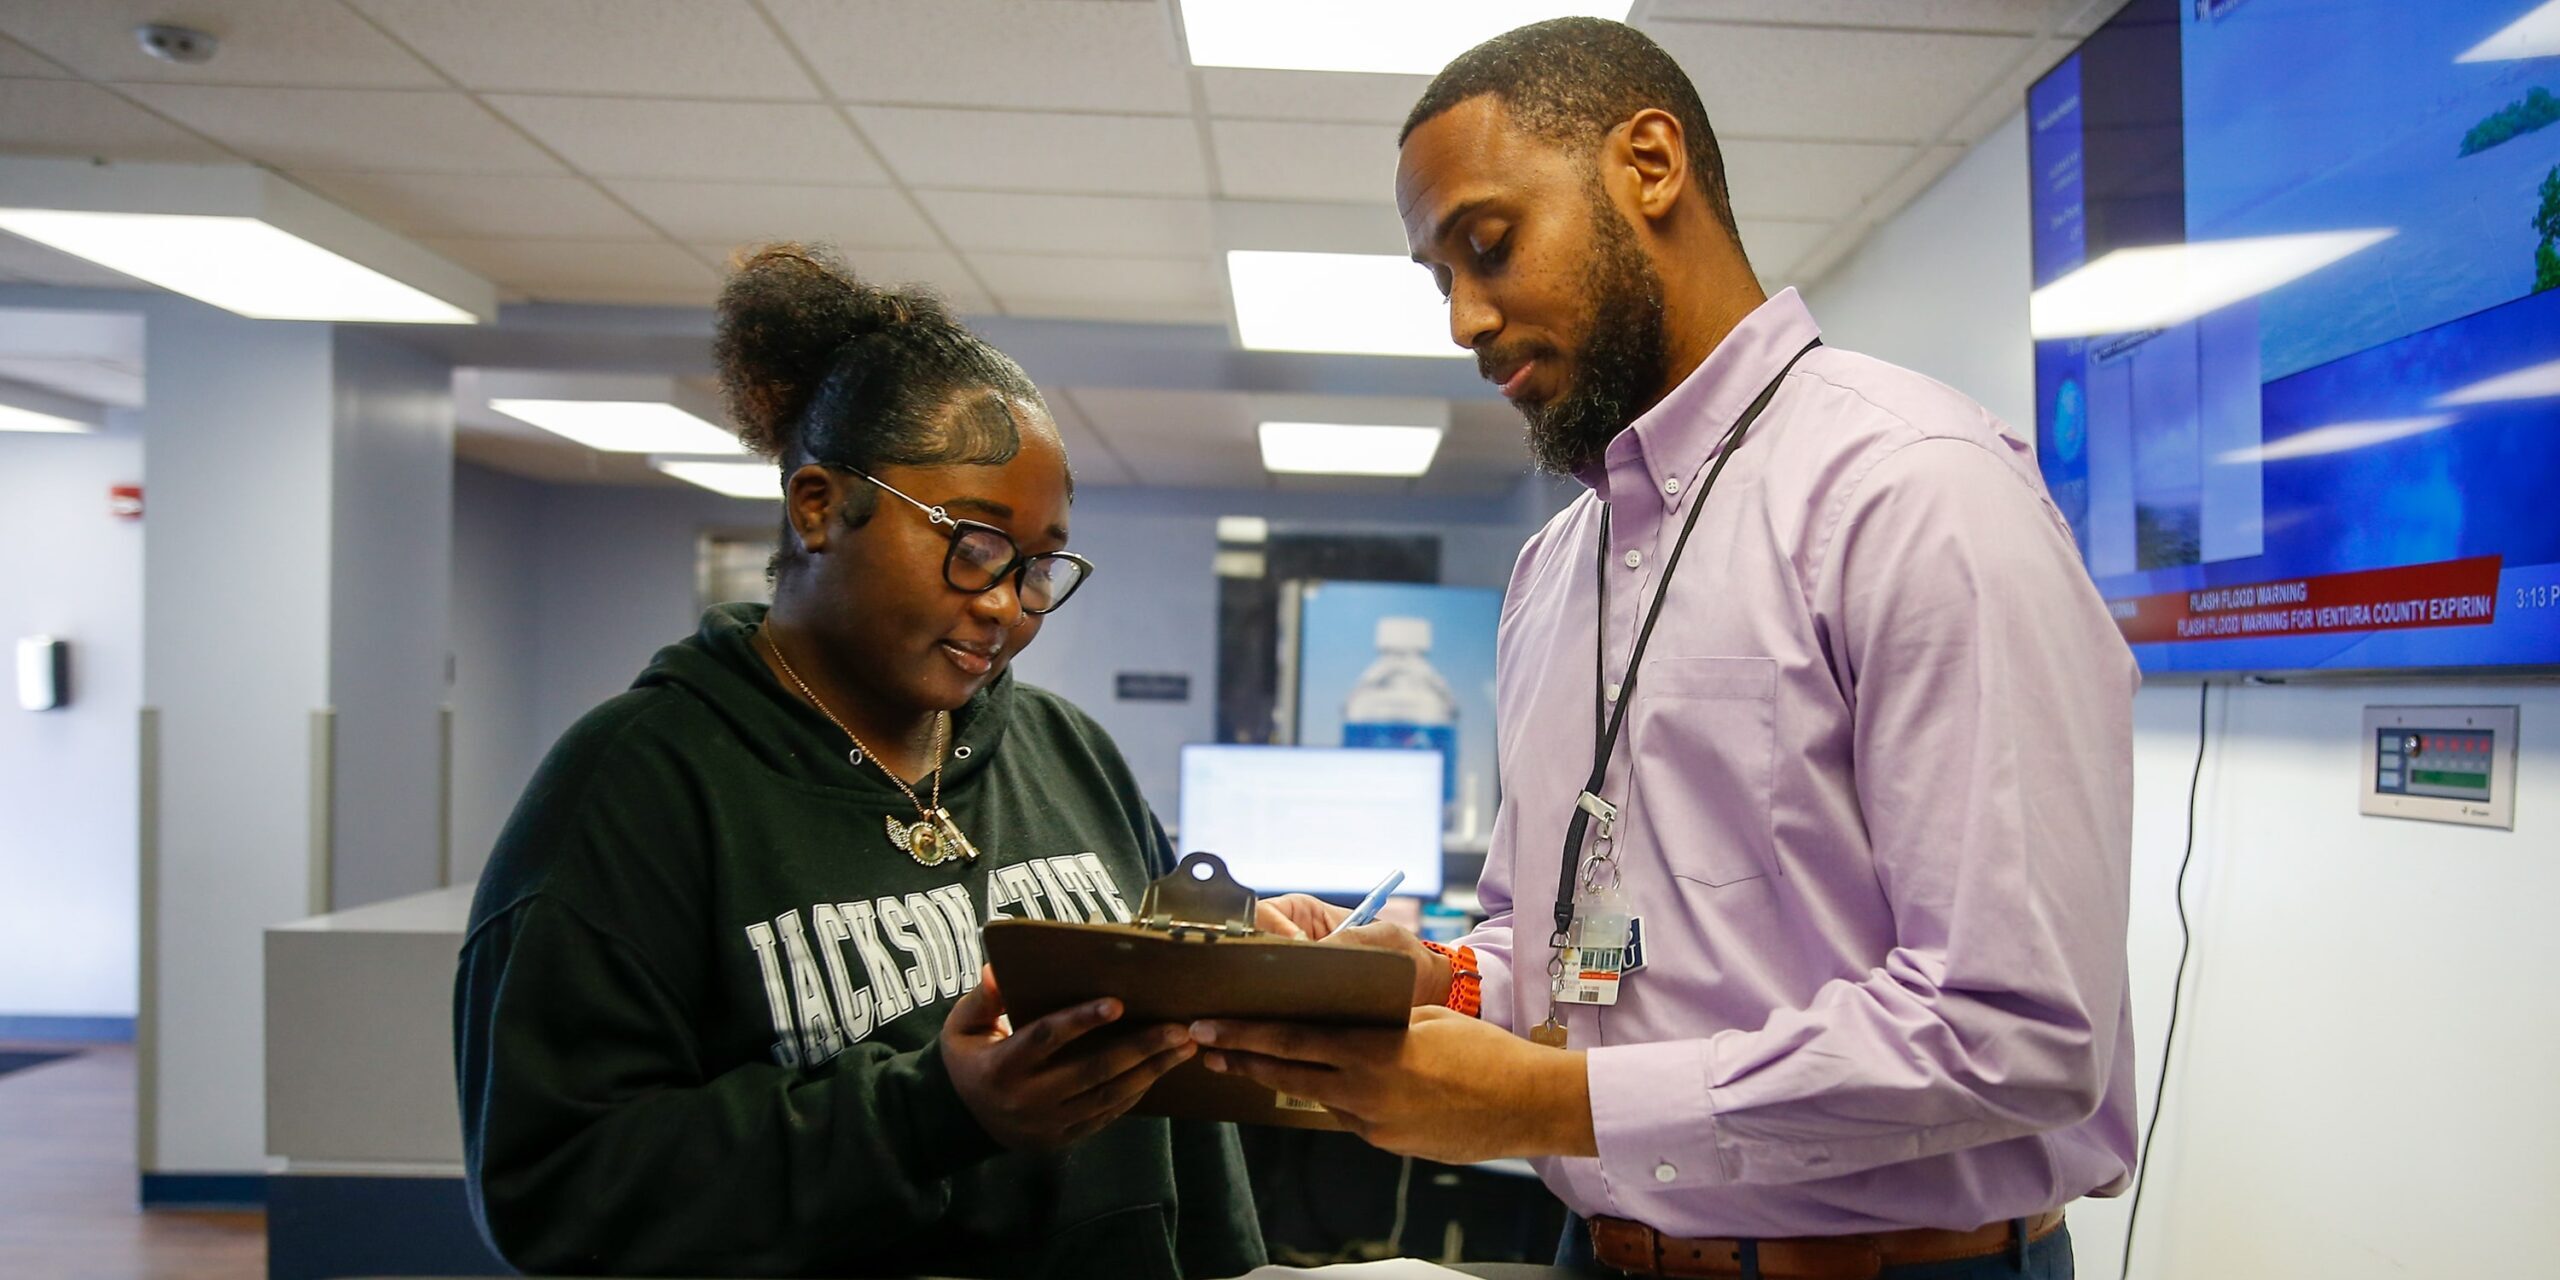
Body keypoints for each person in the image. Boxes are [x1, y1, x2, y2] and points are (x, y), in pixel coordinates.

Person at [1209, 19, 2138, 1280]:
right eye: (1439, 279)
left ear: (1649, 164)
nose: (1464, 319)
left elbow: (2014, 1031)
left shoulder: (1915, 494)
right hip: (1604, 1246)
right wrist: (1441, 978)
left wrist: (1543, 1104)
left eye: (1488, 246)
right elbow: (1605, 944)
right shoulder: (1558, 567)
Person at [454, 244, 1265, 1278]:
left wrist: (1245, 958)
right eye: (972, 542)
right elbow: (557, 1188)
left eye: (1039, 564)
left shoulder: (1067, 751)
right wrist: (930, 1112)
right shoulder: (632, 791)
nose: (1007, 602)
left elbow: (1171, 1108)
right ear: (817, 504)